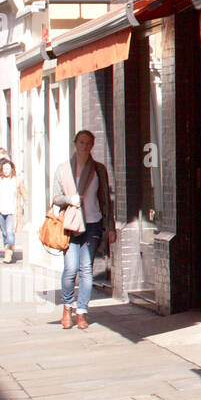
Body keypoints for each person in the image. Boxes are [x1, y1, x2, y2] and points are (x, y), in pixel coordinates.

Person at [50, 130, 117, 331]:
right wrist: (69, 200)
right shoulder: (63, 169)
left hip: (93, 223)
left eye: (88, 143)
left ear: (92, 146)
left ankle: (82, 312)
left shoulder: (98, 169)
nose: (85, 146)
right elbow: (55, 198)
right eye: (81, 142)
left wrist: (110, 227)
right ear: (75, 143)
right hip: (71, 226)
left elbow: (105, 199)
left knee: (86, 268)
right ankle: (67, 308)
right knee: (71, 269)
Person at [0, 158, 26, 264]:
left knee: (10, 232)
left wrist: (27, 203)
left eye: (8, 168)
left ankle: (9, 253)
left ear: (12, 169)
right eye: (4, 169)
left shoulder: (17, 180)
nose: (6, 171)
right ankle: (7, 248)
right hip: (0, 210)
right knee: (4, 233)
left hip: (12, 210)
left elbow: (24, 192)